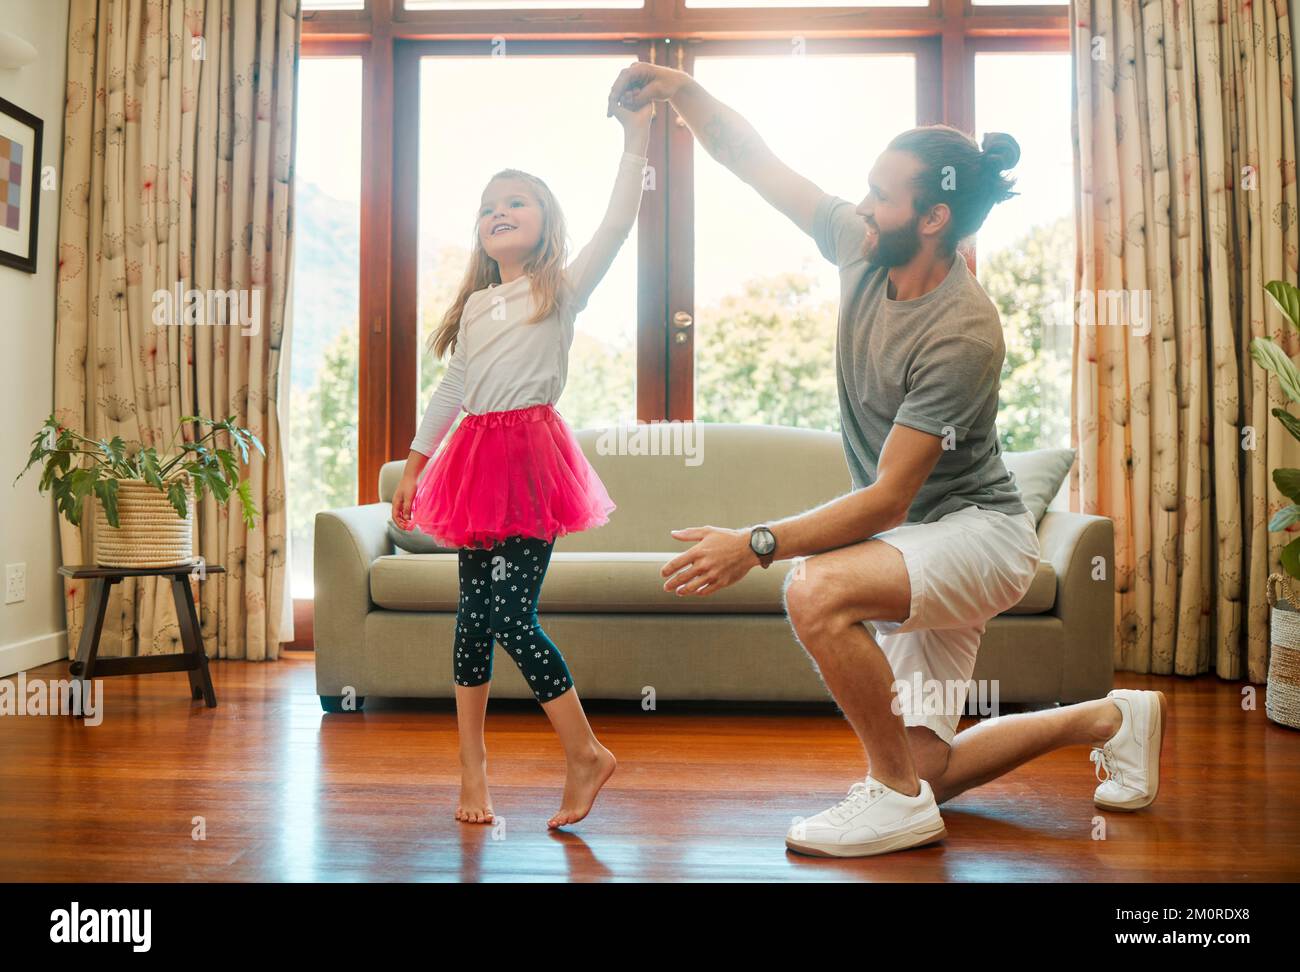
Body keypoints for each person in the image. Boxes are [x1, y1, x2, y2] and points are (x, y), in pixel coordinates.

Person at [606, 62, 1167, 858]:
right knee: (931, 765)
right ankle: (1109, 718)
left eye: (882, 196)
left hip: (980, 537)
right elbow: (754, 158)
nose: (863, 206)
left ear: (934, 217)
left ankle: (894, 801)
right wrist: (677, 88)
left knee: (816, 590)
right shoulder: (861, 246)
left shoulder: (964, 330)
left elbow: (887, 502)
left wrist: (756, 543)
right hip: (921, 546)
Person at [391, 98, 653, 830]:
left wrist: (634, 142)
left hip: (531, 463)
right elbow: (453, 386)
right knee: (473, 622)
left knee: (508, 612)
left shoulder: (561, 288)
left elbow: (619, 223)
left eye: (516, 202)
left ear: (544, 223)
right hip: (471, 459)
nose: (498, 212)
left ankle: (585, 752)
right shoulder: (476, 305)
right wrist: (415, 464)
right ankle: (472, 765)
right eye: (488, 207)